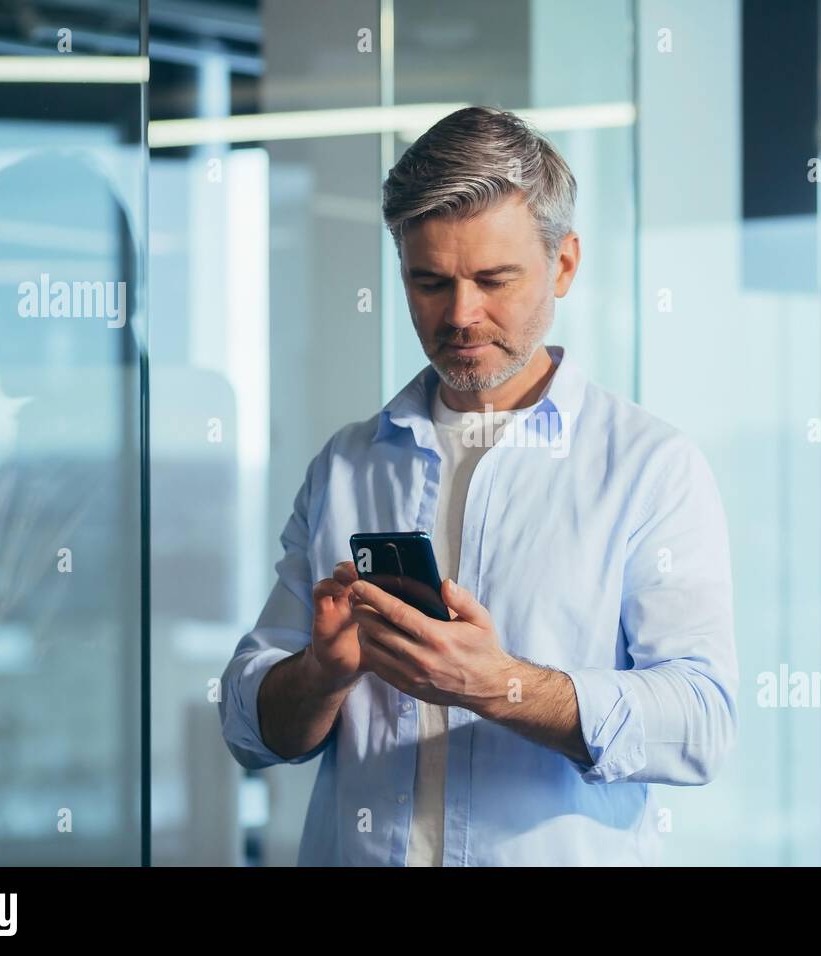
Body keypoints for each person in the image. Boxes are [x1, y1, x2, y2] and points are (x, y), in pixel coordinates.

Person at [219, 106, 737, 866]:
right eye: (429, 282)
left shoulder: (650, 468)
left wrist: (498, 686)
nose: (460, 316)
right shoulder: (346, 465)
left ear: (563, 265)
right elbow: (249, 731)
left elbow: (701, 722)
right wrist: (319, 674)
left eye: (494, 280)